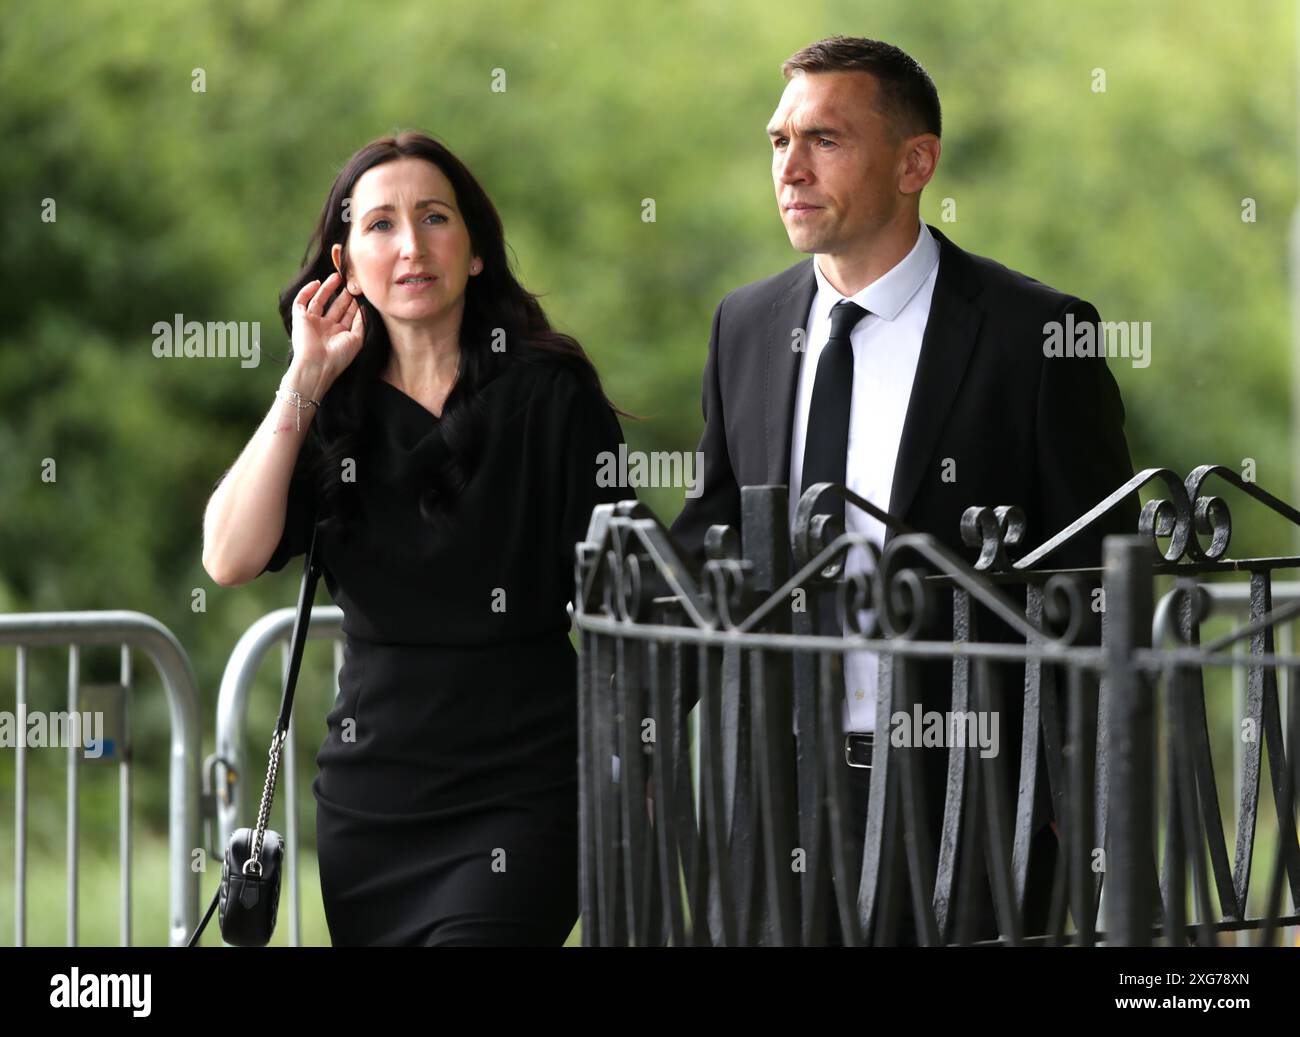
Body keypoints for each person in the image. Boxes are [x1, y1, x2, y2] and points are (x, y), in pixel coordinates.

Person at [669, 37, 1139, 943]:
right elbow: (712, 537)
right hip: (779, 793)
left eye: (826, 141)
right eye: (778, 142)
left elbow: (1094, 583)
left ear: (915, 162)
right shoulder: (746, 325)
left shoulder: (1037, 334)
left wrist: (1078, 805)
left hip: (971, 797)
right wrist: (643, 735)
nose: (791, 168)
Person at [202, 130, 634, 946]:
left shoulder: (549, 393)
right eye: (380, 225)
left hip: (526, 789)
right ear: (346, 259)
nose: (410, 245)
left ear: (474, 250)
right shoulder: (333, 408)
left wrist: (638, 746)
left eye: (434, 218)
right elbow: (228, 556)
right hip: (374, 804)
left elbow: (624, 589)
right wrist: (302, 379)